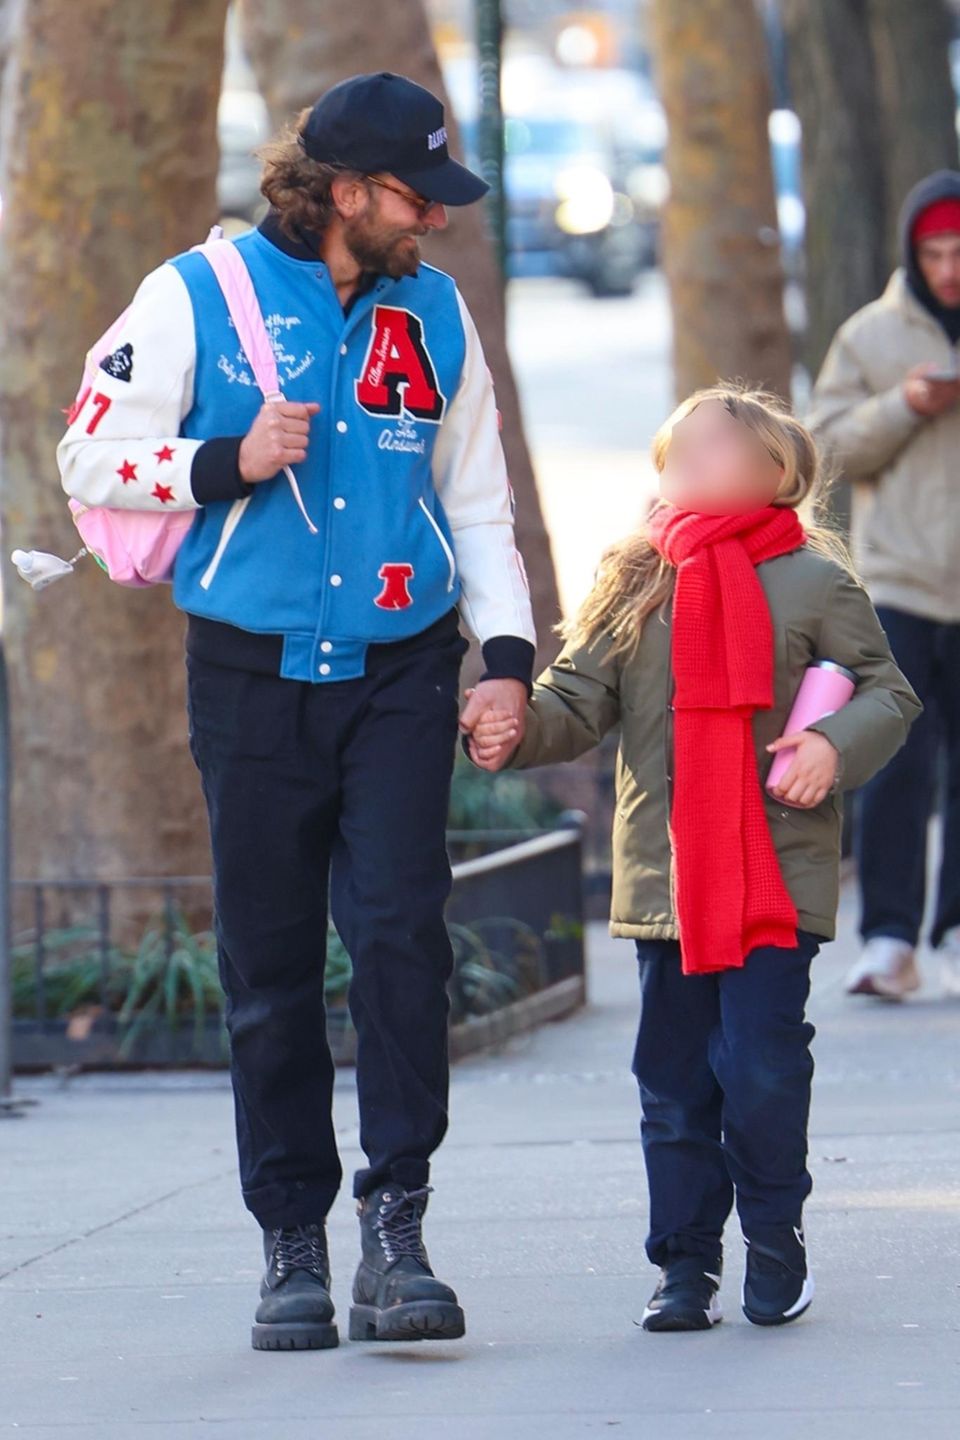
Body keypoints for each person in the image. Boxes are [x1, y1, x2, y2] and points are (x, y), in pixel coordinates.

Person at [58, 72, 536, 1351]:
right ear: (337, 191)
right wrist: (225, 463)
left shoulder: (436, 312)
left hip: (398, 672)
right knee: (268, 972)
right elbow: (89, 456)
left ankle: (399, 1227)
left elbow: (477, 499)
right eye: (411, 196)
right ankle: (290, 1244)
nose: (431, 221)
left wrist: (502, 660)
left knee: (400, 942)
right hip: (250, 674)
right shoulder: (191, 295)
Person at [467, 386, 919, 1331]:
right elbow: (576, 698)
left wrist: (831, 745)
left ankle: (774, 1235)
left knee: (758, 1066)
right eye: (678, 453)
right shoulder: (636, 578)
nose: (687, 467)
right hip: (664, 881)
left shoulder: (813, 580)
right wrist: (516, 724)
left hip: (771, 877)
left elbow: (886, 693)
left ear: (775, 474)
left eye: (714, 450)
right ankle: (683, 1265)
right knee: (672, 1084)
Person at [808, 170, 960, 1002]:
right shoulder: (870, 336)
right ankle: (890, 939)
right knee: (894, 763)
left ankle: (955, 931)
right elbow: (822, 446)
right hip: (901, 581)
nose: (948, 269)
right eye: (934, 252)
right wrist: (902, 406)